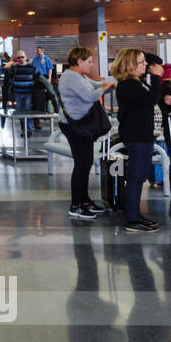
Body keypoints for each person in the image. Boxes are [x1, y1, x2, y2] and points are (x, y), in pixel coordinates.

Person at [58, 46, 116, 220]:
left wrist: (112, 82)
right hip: (75, 126)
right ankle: (76, 205)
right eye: (89, 62)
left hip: (81, 126)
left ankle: (84, 201)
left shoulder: (79, 76)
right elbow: (90, 96)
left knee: (86, 163)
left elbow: (97, 85)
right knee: (82, 165)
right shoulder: (70, 77)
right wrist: (105, 87)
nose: (91, 65)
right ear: (79, 61)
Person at [112, 48, 165, 232]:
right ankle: (132, 220)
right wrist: (157, 77)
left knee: (139, 176)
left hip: (142, 134)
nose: (146, 65)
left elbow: (150, 99)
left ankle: (135, 214)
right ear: (131, 65)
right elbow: (150, 99)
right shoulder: (128, 84)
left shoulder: (136, 82)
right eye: (142, 62)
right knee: (136, 178)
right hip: (137, 136)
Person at [7, 50, 50, 132]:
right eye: (18, 57)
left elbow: (39, 77)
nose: (20, 59)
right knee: (19, 111)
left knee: (27, 110)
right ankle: (24, 128)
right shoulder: (14, 68)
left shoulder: (31, 68)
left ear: (26, 57)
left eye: (22, 57)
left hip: (28, 93)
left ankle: (29, 129)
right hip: (18, 93)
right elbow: (8, 77)